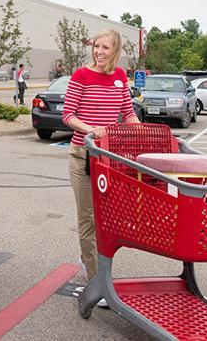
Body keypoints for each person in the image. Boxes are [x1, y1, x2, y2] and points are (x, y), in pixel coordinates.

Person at [61, 29, 140, 293]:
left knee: (106, 217)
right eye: (96, 47)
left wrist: (140, 130)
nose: (99, 52)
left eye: (105, 48)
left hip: (109, 156)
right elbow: (68, 115)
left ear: (115, 51)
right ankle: (96, 281)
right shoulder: (82, 75)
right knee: (88, 218)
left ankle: (90, 261)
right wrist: (90, 129)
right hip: (83, 154)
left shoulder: (119, 77)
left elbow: (127, 112)